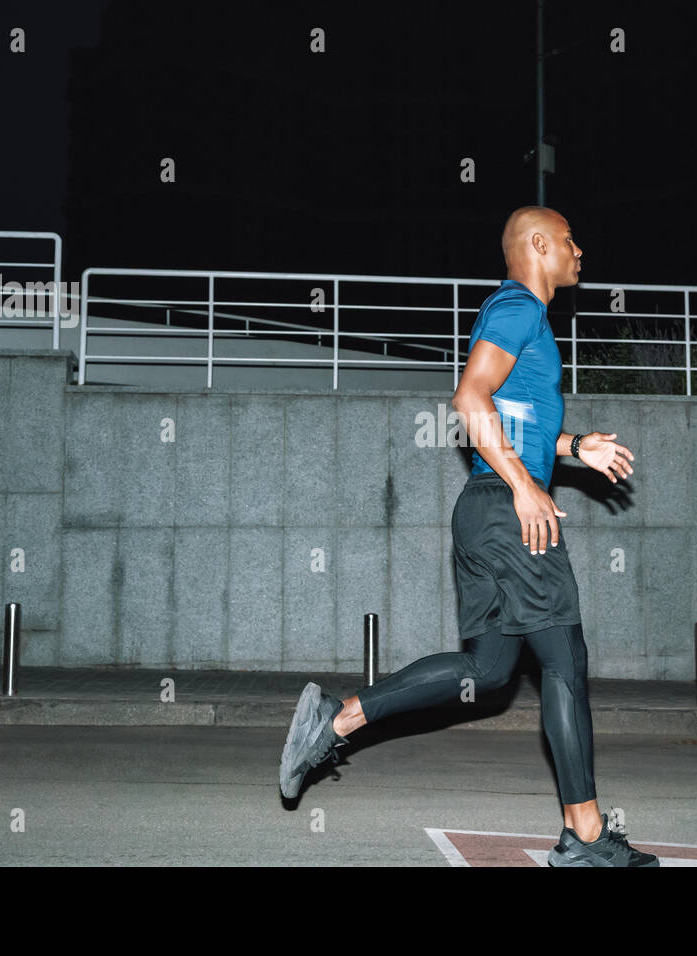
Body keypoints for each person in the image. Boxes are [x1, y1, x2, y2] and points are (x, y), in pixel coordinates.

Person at [280, 206, 658, 867]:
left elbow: (510, 416)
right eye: (569, 239)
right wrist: (524, 486)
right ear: (538, 245)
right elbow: (470, 398)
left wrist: (573, 446)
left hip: (485, 510)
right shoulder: (519, 308)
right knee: (563, 661)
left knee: (488, 672)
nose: (579, 249)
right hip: (508, 513)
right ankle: (587, 837)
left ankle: (335, 719)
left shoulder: (520, 318)